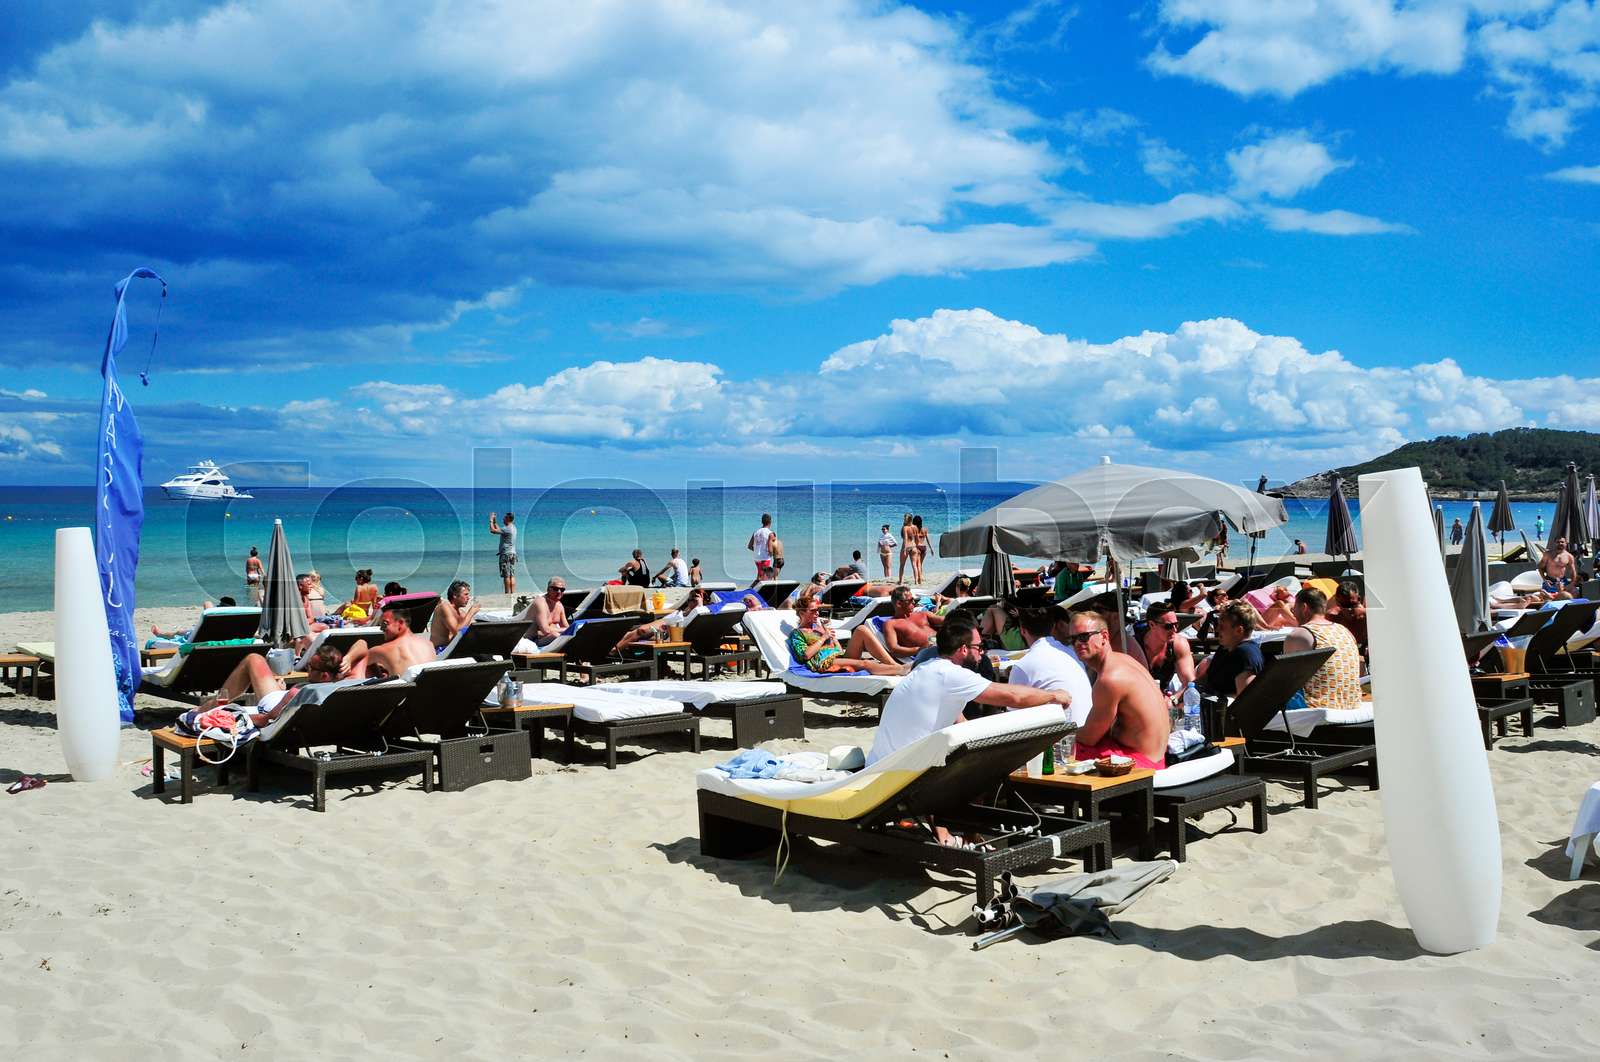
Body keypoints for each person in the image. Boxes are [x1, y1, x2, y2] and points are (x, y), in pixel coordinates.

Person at [868, 613, 1074, 766]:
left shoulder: (926, 668)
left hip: (883, 766)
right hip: (900, 774)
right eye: (978, 647)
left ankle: (943, 825)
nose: (981, 653)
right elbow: (1011, 696)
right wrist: (1054, 695)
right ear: (964, 649)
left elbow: (960, 723)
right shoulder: (951, 674)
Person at [1062, 611, 1170, 769]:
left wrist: (1060, 736)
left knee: (1069, 751)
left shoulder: (1110, 679)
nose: (1078, 643)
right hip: (1158, 758)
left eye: (1084, 637)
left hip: (1141, 764)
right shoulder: (1125, 660)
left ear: (1104, 636)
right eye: (1072, 639)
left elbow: (1089, 738)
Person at [199, 645, 347, 723]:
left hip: (273, 704)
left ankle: (206, 708)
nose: (307, 670)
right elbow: (362, 644)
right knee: (255, 659)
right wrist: (350, 659)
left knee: (253, 659)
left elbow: (265, 719)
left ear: (324, 675)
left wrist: (234, 716)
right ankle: (213, 704)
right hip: (282, 699)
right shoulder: (342, 685)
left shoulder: (296, 694)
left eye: (310, 668)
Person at [1282, 587, 1364, 711]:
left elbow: (1288, 680)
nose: (1294, 613)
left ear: (1304, 608)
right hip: (1352, 704)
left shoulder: (1300, 635)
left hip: (1318, 707)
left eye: (1295, 609)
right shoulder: (1343, 630)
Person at [1010, 608, 1094, 727]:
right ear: (1053, 626)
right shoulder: (1072, 652)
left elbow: (1014, 715)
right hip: (1086, 727)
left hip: (1062, 738)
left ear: (1023, 631)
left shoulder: (1022, 665)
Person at [787, 593, 906, 677]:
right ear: (802, 613)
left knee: (861, 629)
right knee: (864, 663)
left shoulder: (820, 628)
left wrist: (830, 636)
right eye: (812, 611)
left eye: (817, 610)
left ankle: (894, 665)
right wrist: (824, 637)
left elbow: (838, 649)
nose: (817, 613)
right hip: (823, 663)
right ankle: (901, 670)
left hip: (838, 657)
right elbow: (805, 655)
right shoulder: (797, 634)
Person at [345, 605, 437, 679]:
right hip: (431, 695)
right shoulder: (428, 644)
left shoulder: (383, 650)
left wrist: (348, 658)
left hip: (403, 699)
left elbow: (358, 660)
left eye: (385, 624)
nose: (381, 629)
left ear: (400, 623)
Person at [1195, 600, 1264, 697]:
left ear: (1238, 630)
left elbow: (1245, 699)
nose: (1217, 630)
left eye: (1222, 627)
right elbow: (1206, 678)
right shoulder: (1225, 648)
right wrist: (1177, 697)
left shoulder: (1245, 654)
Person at [613, 588, 707, 654]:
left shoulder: (701, 610)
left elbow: (693, 615)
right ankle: (613, 650)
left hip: (670, 630)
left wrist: (699, 603)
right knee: (631, 633)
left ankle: (614, 651)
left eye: (695, 598)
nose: (691, 601)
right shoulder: (689, 610)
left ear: (702, 597)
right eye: (689, 600)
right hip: (666, 622)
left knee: (640, 631)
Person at [1134, 602, 1196, 693]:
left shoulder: (1178, 644)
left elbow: (1190, 683)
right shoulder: (1134, 646)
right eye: (1169, 626)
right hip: (1138, 695)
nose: (1175, 630)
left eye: (1176, 624)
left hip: (1165, 696)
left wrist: (1174, 699)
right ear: (1152, 625)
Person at [882, 584, 944, 662]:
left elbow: (945, 620)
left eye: (913, 599)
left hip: (947, 645)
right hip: (931, 656)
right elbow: (894, 650)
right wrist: (920, 649)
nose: (914, 602)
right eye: (910, 600)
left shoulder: (923, 614)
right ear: (899, 604)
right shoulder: (891, 624)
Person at [430, 579, 480, 649]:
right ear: (455, 596)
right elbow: (457, 633)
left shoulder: (461, 613)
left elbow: (475, 628)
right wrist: (471, 612)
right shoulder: (444, 607)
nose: (468, 598)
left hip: (454, 649)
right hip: (440, 650)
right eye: (465, 594)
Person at [521, 577, 570, 646]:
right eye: (555, 589)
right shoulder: (541, 602)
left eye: (562, 590)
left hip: (543, 639)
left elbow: (568, 628)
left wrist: (568, 630)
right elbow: (546, 630)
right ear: (548, 589)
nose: (559, 592)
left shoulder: (559, 606)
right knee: (555, 635)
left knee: (567, 636)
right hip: (529, 641)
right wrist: (565, 630)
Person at [1326, 581, 1368, 649]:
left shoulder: (1366, 616)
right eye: (1345, 605)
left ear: (1359, 599)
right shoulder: (1331, 618)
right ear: (1337, 602)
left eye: (1353, 604)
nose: (1349, 609)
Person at [489, 512, 518, 593]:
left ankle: (507, 593)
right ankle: (513, 593)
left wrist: (491, 520)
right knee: (512, 574)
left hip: (506, 554)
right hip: (512, 554)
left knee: (506, 575)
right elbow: (499, 530)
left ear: (508, 519)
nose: (503, 519)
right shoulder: (513, 528)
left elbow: (492, 530)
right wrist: (495, 522)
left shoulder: (507, 528)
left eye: (504, 517)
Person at [748, 513, 776, 581]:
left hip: (757, 558)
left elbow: (749, 546)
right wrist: (772, 554)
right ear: (770, 522)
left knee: (760, 575)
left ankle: (753, 589)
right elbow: (770, 549)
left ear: (762, 522)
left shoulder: (756, 532)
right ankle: (754, 589)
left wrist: (757, 550)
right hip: (765, 557)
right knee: (765, 577)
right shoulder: (770, 533)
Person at [910, 514, 928, 584]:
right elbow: (927, 539)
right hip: (924, 547)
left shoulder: (914, 529)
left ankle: (918, 579)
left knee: (917, 565)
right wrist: (931, 548)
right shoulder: (925, 529)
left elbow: (915, 541)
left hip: (917, 547)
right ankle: (920, 578)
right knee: (920, 564)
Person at [898, 513, 915, 583]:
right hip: (913, 546)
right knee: (914, 564)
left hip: (906, 546)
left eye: (905, 518)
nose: (904, 520)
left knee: (902, 564)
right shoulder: (914, 527)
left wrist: (904, 549)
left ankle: (900, 581)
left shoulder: (905, 528)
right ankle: (916, 580)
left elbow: (905, 539)